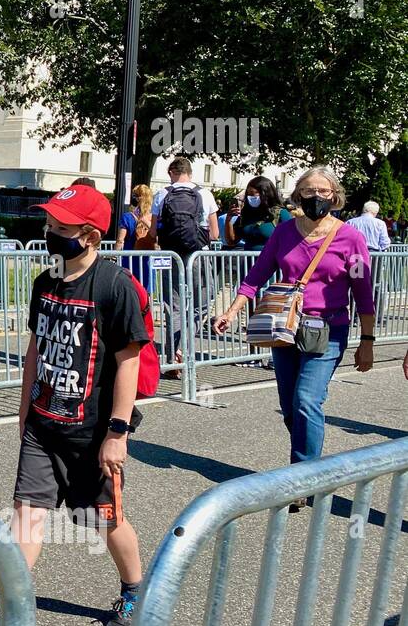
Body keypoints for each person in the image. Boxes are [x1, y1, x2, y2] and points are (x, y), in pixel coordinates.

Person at [0, 185, 148, 626]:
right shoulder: (46, 282)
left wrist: (117, 433)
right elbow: (37, 349)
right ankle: (2, 607)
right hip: (42, 424)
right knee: (27, 518)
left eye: (61, 228)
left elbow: (129, 361)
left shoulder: (114, 285)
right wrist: (24, 410)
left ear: (90, 236)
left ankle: (135, 591)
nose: (50, 233)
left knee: (105, 520)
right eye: (50, 225)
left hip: (93, 432)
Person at [213, 167, 374, 492]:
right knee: (290, 407)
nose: (317, 197)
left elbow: (363, 290)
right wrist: (231, 311)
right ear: (299, 194)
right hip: (284, 328)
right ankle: (310, 464)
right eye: (310, 191)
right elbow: (256, 276)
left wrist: (367, 340)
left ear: (335, 197)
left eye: (324, 192)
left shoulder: (351, 238)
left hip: (328, 330)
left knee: (306, 400)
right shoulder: (284, 233)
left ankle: (302, 480)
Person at [153, 156, 219, 361]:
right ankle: (184, 345)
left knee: (173, 306)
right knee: (202, 304)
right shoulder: (204, 194)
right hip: (198, 255)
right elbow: (215, 234)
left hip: (170, 255)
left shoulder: (162, 194)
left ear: (172, 172)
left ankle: (173, 354)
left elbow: (153, 231)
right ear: (190, 172)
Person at [235, 176, 288, 251]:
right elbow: (232, 241)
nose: (252, 196)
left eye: (256, 193)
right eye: (249, 193)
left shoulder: (281, 213)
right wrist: (229, 219)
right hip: (248, 262)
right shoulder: (245, 213)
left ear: (266, 193)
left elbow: (293, 240)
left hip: (271, 261)